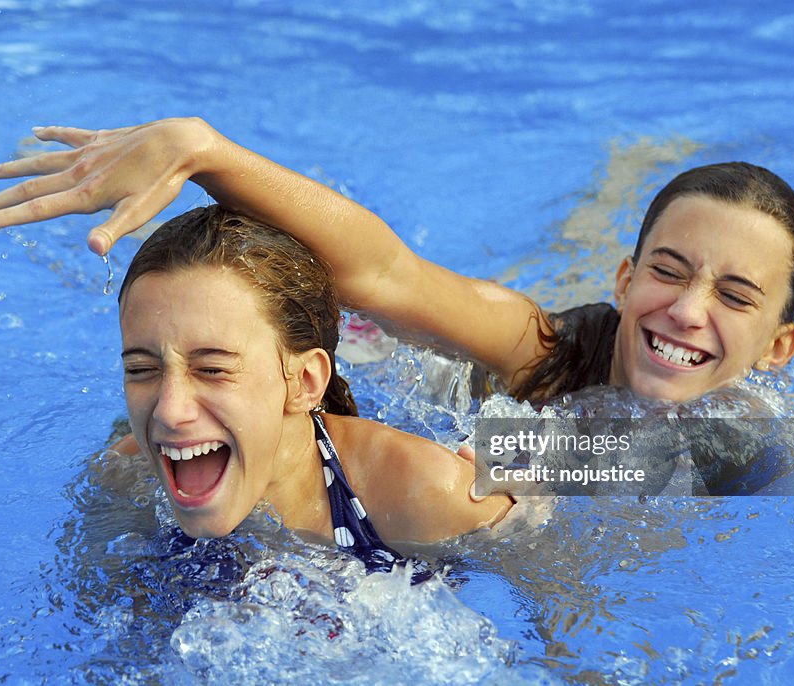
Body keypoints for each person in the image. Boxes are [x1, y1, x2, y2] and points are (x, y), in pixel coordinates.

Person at [0, 117, 794, 405]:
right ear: (626, 281)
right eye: (666, 271)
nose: (688, 309)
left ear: (779, 347)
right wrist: (207, 152)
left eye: (736, 295)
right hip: (425, 363)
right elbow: (385, 274)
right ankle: (627, 168)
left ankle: (630, 170)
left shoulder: (777, 443)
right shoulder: (543, 351)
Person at [103, 203, 511, 558]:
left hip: (434, 395)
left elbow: (553, 435)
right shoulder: (123, 477)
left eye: (212, 369)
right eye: (142, 370)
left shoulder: (425, 491)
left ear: (304, 380)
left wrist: (532, 487)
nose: (170, 412)